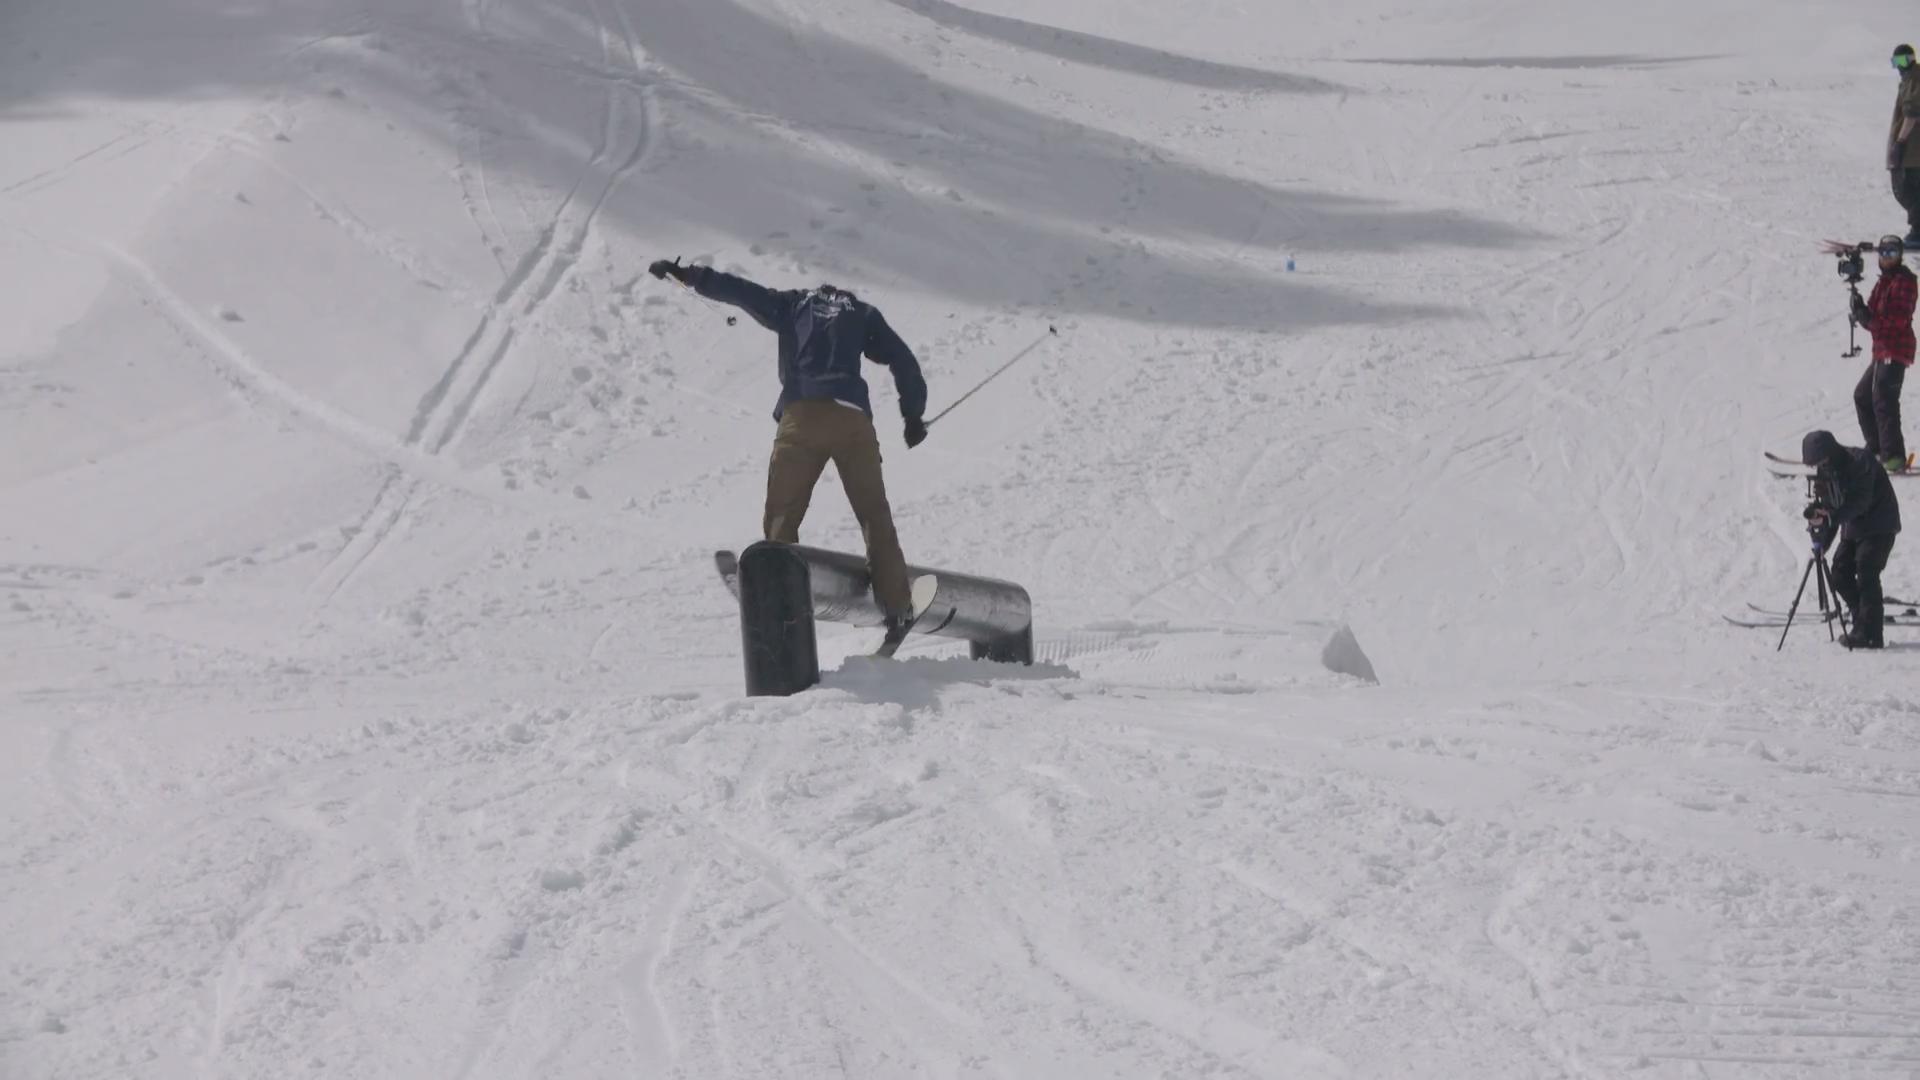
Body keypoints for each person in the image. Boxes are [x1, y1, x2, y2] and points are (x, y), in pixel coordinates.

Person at [649, 258, 929, 639]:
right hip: (852, 420)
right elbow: (903, 360)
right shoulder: (863, 314)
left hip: (802, 416)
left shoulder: (794, 304)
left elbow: (740, 291)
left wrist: (689, 275)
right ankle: (896, 607)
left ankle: (777, 604)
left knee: (783, 513)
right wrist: (912, 416)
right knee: (873, 514)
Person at [1802, 429, 1901, 649]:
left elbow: (1860, 502)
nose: (1819, 466)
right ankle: (1861, 622)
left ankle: (1872, 634)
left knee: (1866, 569)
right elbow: (1829, 510)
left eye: (1819, 461)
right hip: (1854, 527)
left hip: (1879, 523)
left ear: (1829, 453)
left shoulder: (1860, 462)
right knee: (1839, 573)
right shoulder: (1825, 471)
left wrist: (1831, 519)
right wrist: (1822, 543)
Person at [1849, 234, 1917, 472]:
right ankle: (1877, 449)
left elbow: (1898, 317)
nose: (1887, 258)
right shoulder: (1883, 282)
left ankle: (1894, 457)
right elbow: (1873, 316)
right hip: (1882, 350)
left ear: (1899, 256)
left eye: (1892, 254)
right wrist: (1859, 308)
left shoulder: (1905, 281)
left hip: (1896, 349)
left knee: (1884, 400)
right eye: (1884, 253)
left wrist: (1870, 319)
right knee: (1862, 396)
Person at [1890, 44, 1920, 246]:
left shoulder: (1915, 79)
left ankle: (1918, 230)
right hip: (1911, 151)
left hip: (1913, 150)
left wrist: (1900, 142)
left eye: (1902, 61)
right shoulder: (1909, 80)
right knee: (1906, 189)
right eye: (1895, 63)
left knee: (1907, 189)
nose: (1899, 67)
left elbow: (1912, 112)